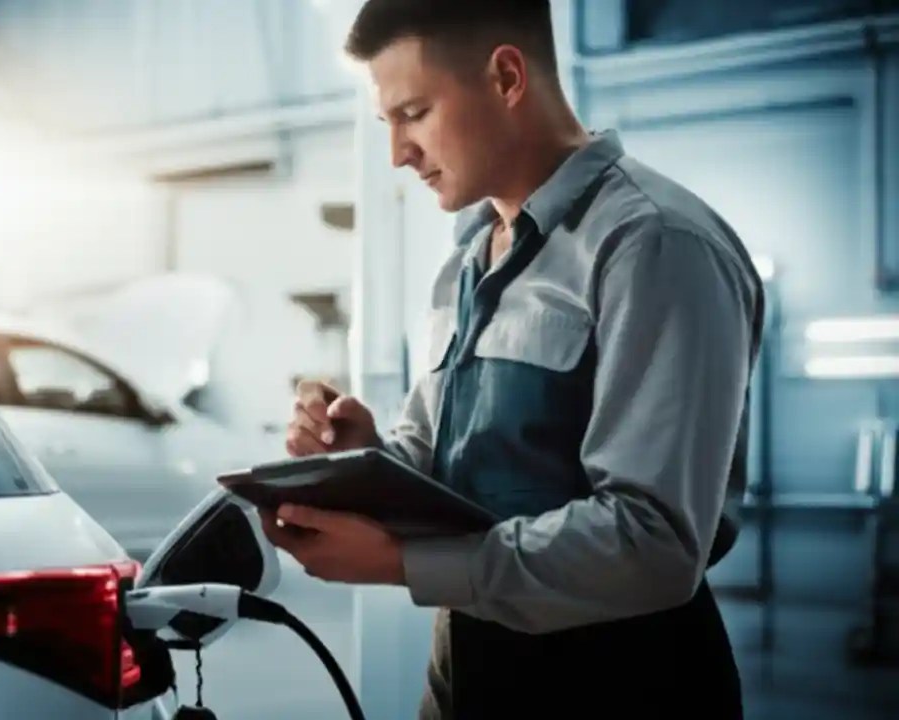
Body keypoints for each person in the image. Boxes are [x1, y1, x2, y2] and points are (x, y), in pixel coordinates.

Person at [260, 1, 765, 718]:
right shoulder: (468, 255)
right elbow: (442, 460)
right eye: (388, 124)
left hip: (622, 687)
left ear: (505, 76)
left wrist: (406, 563)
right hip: (467, 675)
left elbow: (653, 542)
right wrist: (364, 459)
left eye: (414, 113)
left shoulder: (655, 246)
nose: (397, 153)